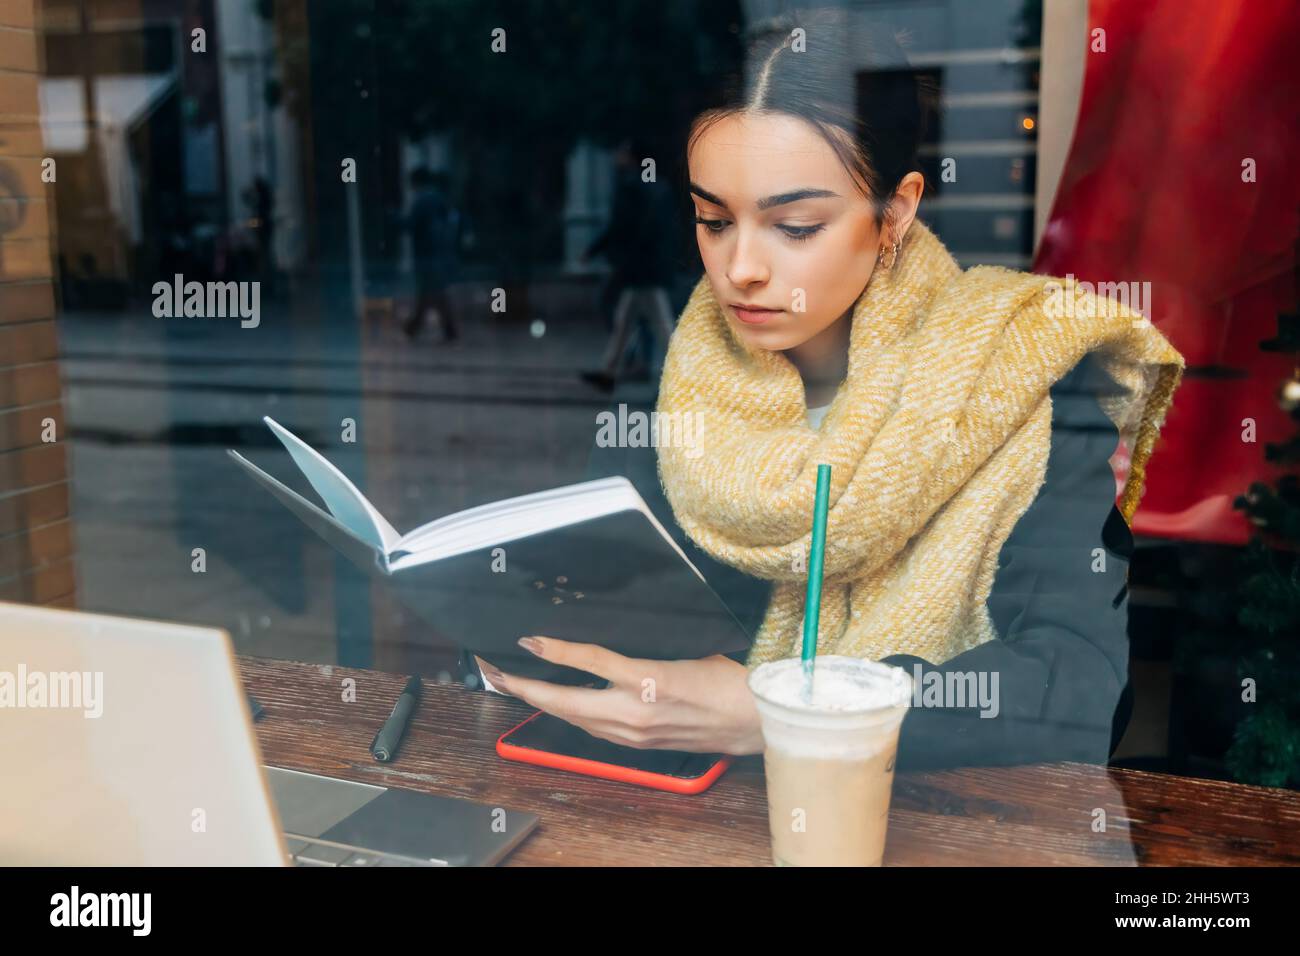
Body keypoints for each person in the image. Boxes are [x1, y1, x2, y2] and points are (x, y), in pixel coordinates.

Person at [469, 10, 1185, 769]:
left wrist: (790, 714)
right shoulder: (683, 395)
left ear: (895, 213)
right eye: (713, 219)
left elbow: (1082, 690)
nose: (740, 267)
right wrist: (522, 640)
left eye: (797, 226)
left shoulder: (1024, 371)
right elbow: (614, 613)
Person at [579, 138, 681, 391]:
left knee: (661, 324)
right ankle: (607, 372)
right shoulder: (660, 187)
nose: (617, 155)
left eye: (623, 151)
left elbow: (619, 227)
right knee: (626, 320)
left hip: (638, 267)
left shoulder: (631, 187)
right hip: (650, 265)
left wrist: (593, 250)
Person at [399, 167, 462, 343]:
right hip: (440, 254)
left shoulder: (423, 201)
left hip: (428, 255)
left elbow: (412, 225)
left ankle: (422, 327)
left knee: (433, 293)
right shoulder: (439, 198)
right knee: (430, 293)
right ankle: (416, 326)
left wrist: (396, 220)